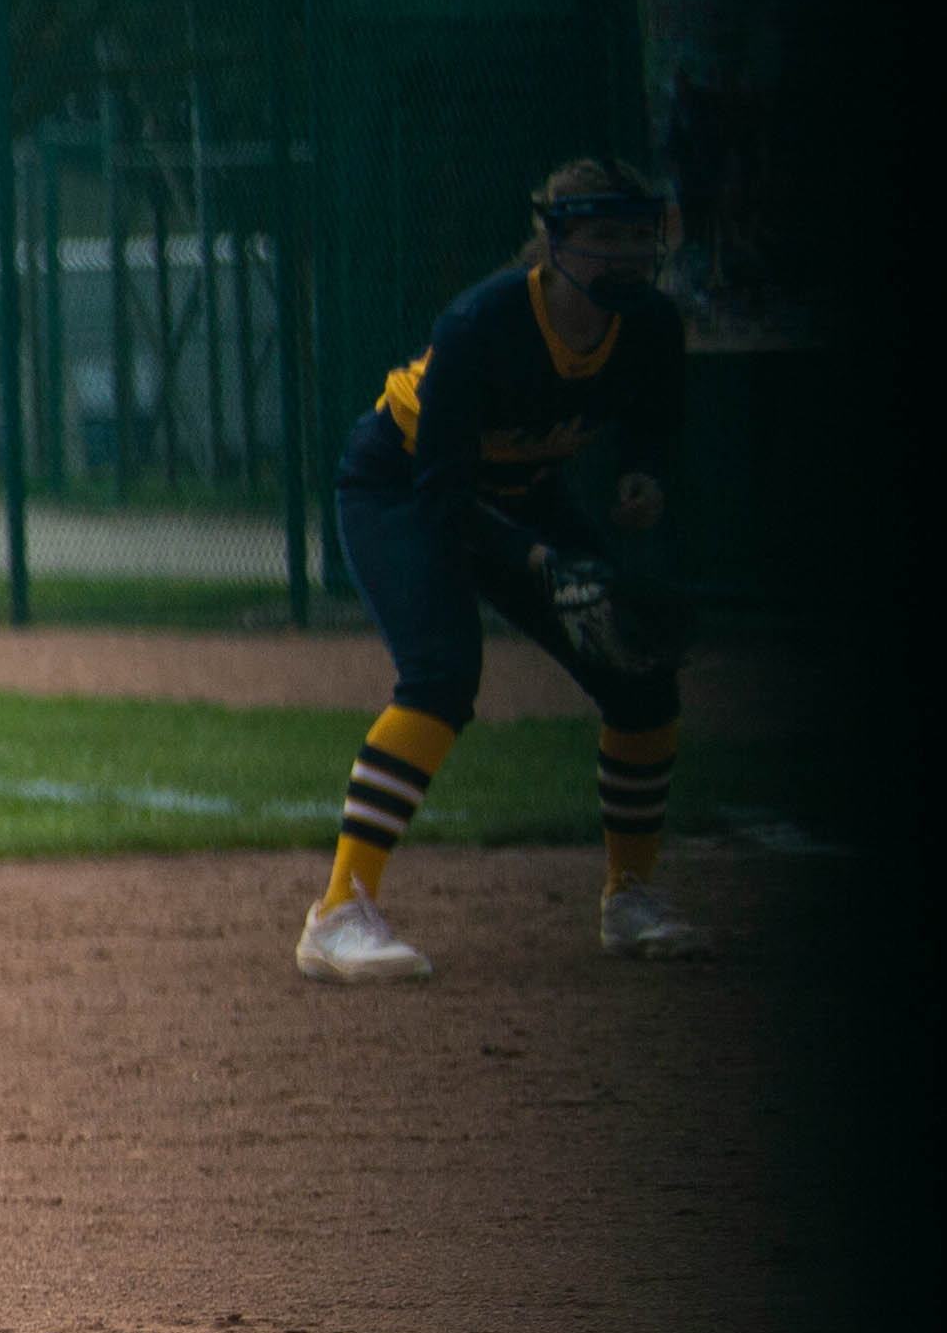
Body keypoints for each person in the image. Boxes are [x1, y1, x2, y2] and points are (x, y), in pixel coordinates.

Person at [297, 158, 710, 982]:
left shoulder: (653, 326)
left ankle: (630, 894)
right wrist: (539, 561)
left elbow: (652, 425)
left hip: (522, 492)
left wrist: (642, 477)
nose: (624, 255)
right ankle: (337, 913)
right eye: (602, 235)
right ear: (554, 240)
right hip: (401, 486)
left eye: (638, 235)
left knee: (640, 674)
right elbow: (444, 497)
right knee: (443, 675)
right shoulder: (483, 323)